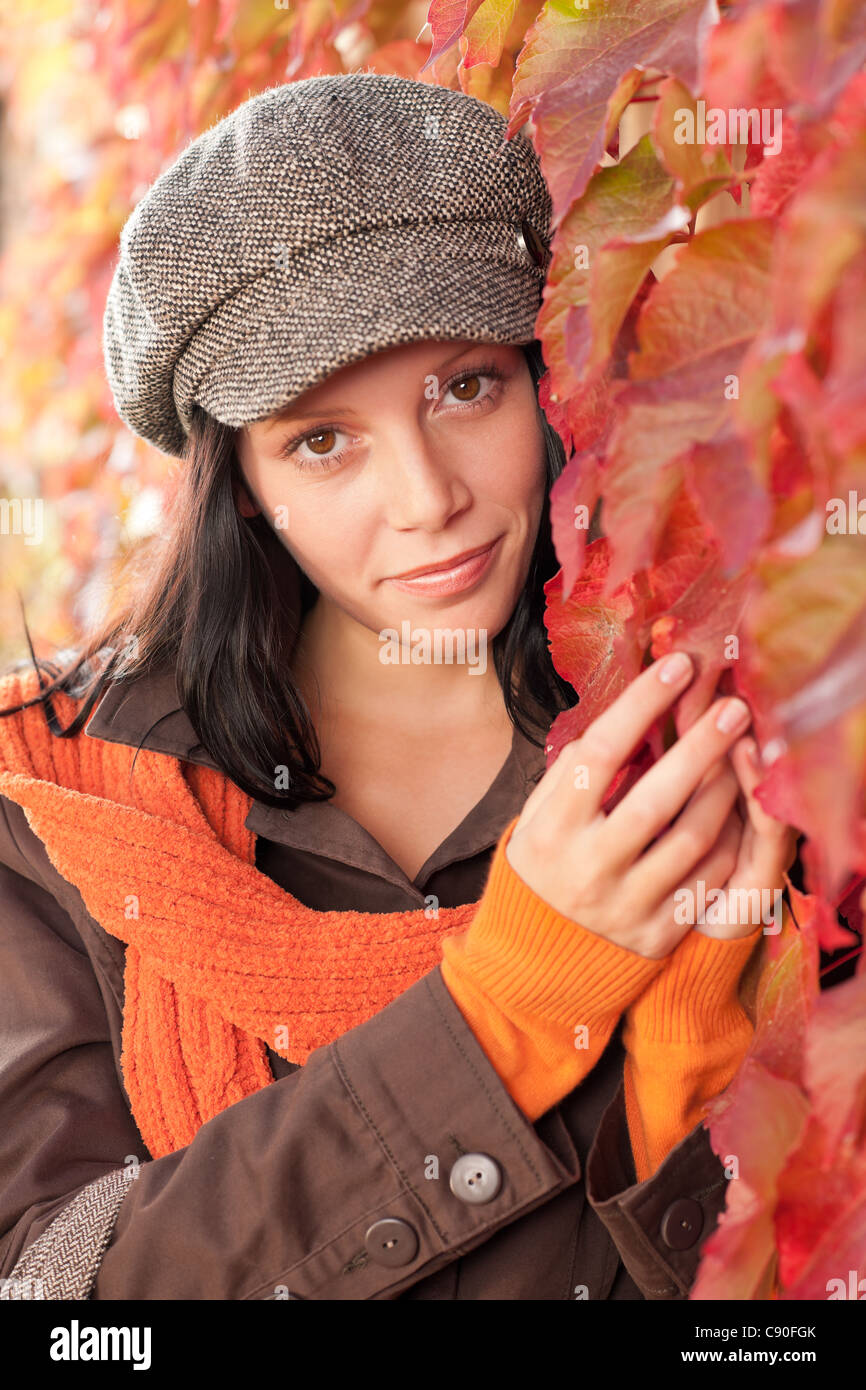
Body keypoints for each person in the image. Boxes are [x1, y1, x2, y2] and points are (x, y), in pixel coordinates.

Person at [0, 71, 796, 1301]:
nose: (426, 498)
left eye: (465, 386)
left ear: (546, 375)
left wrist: (686, 1088)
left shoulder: (710, 726)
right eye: (324, 440)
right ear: (241, 485)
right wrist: (503, 1013)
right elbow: (61, 1305)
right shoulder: (58, 804)